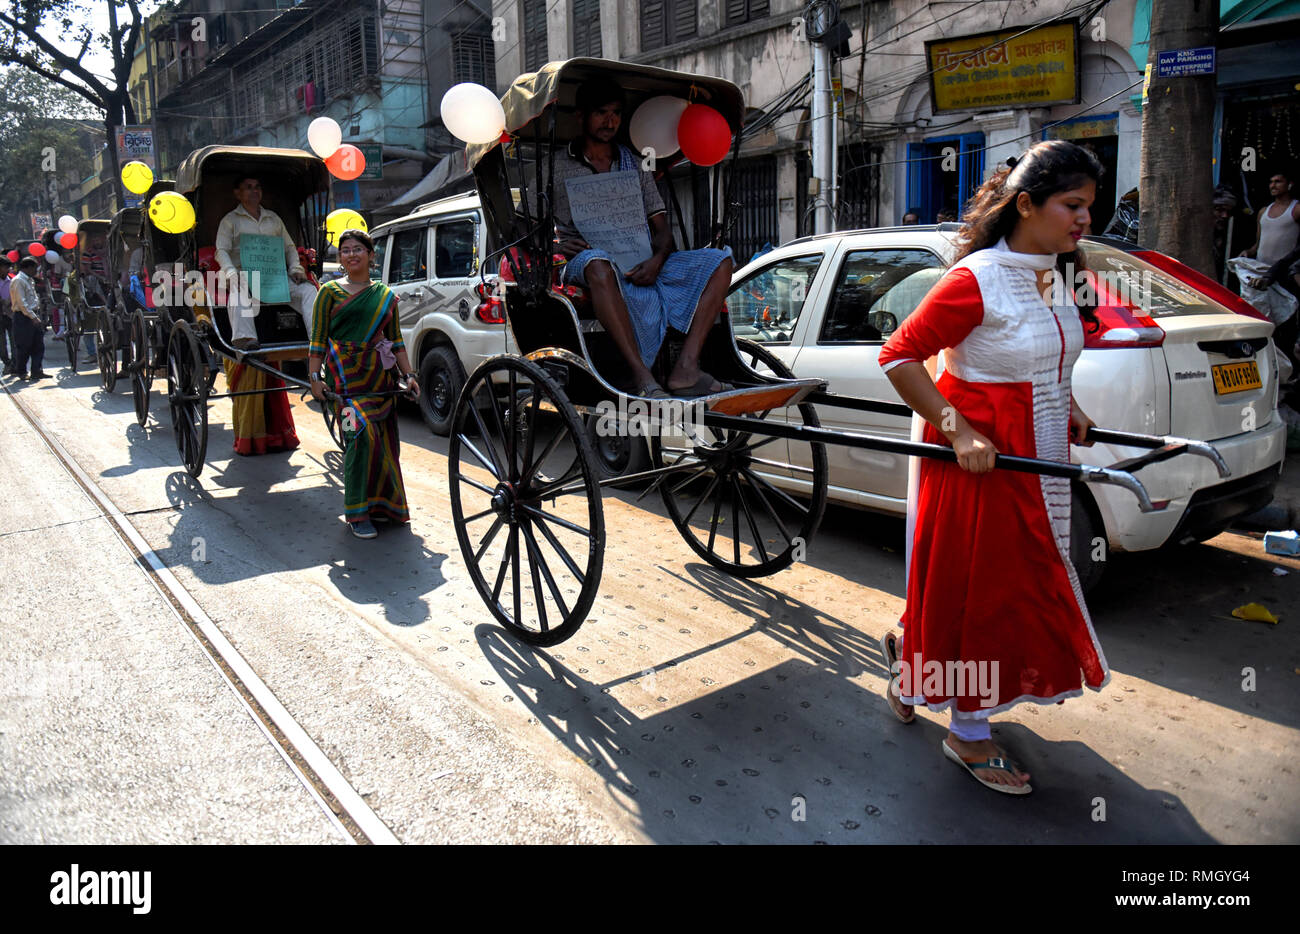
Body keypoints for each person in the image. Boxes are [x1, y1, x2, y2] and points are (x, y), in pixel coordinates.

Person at [877, 139, 1105, 795]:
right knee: (984, 595)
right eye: (1072, 205)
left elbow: (1045, 358)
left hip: (1038, 453)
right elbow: (899, 357)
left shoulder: (1059, 274)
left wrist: (1074, 406)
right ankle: (966, 734)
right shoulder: (975, 277)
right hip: (985, 459)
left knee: (1018, 586)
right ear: (1027, 205)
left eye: (1088, 205)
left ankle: (910, 653)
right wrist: (958, 432)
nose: (1084, 218)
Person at [553, 79, 734, 398]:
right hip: (586, 262)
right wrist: (555, 246)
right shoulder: (558, 166)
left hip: (641, 258)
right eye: (601, 113)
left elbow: (663, 231)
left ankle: (686, 367)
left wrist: (656, 260)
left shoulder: (635, 164)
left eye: (616, 114)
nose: (610, 121)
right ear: (581, 116)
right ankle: (641, 375)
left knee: (720, 262)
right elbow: (526, 230)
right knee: (598, 264)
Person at [308, 230, 420, 539]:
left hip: (378, 379)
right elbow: (317, 339)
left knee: (384, 442)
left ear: (371, 255)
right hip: (343, 379)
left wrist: (409, 375)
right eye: (345, 250)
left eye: (358, 249)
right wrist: (315, 377)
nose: (351, 254)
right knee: (357, 439)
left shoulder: (385, 294)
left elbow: (395, 340)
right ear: (340, 259)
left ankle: (386, 507)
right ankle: (357, 514)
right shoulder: (328, 292)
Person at [215, 176, 318, 351]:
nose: (254, 190)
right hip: (244, 275)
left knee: (308, 290)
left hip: (274, 276)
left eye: (257, 187)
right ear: (237, 193)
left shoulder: (273, 219)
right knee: (237, 285)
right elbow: (221, 251)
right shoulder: (230, 220)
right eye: (248, 187)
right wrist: (231, 272)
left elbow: (289, 248)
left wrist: (295, 268)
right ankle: (246, 339)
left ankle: (317, 338)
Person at [1240, 170, 1300, 268]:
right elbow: (1257, 245)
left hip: (1283, 273)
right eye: (1271, 182)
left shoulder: (1296, 209)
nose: (1273, 185)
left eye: (1278, 182)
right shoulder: (1263, 212)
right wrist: (1248, 252)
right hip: (1259, 271)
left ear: (1290, 184)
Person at [9, 257, 48, 380]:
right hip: (23, 316)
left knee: (38, 345)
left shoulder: (29, 280)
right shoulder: (18, 281)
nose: (36, 271)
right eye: (34, 268)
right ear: (28, 268)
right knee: (24, 345)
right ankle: (21, 371)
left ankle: (36, 370)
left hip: (33, 314)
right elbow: (22, 302)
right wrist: (33, 317)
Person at [0, 256, 13, 375]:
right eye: (4, 267)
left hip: (12, 314)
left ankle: (14, 364)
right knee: (1, 344)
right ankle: (7, 362)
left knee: (15, 341)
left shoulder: (13, 280)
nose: (7, 269)